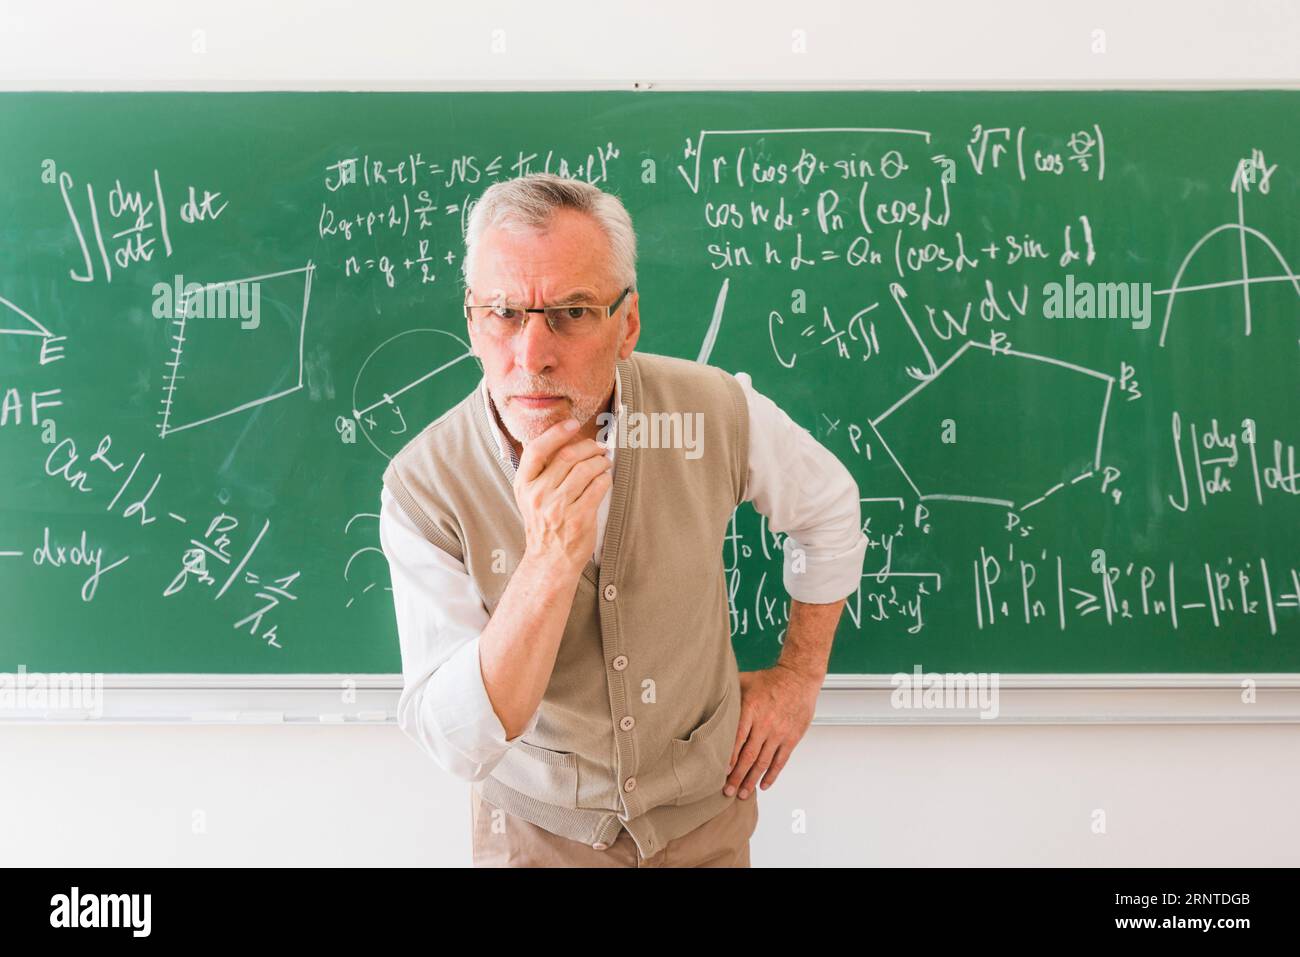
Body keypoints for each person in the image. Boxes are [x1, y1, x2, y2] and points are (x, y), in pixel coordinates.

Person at [379, 171, 867, 867]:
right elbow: (459, 741)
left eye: (572, 312)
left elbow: (829, 508)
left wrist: (798, 678)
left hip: (706, 823)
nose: (532, 353)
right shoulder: (423, 485)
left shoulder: (713, 409)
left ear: (627, 323)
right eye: (504, 312)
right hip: (535, 837)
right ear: (471, 320)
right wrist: (548, 561)